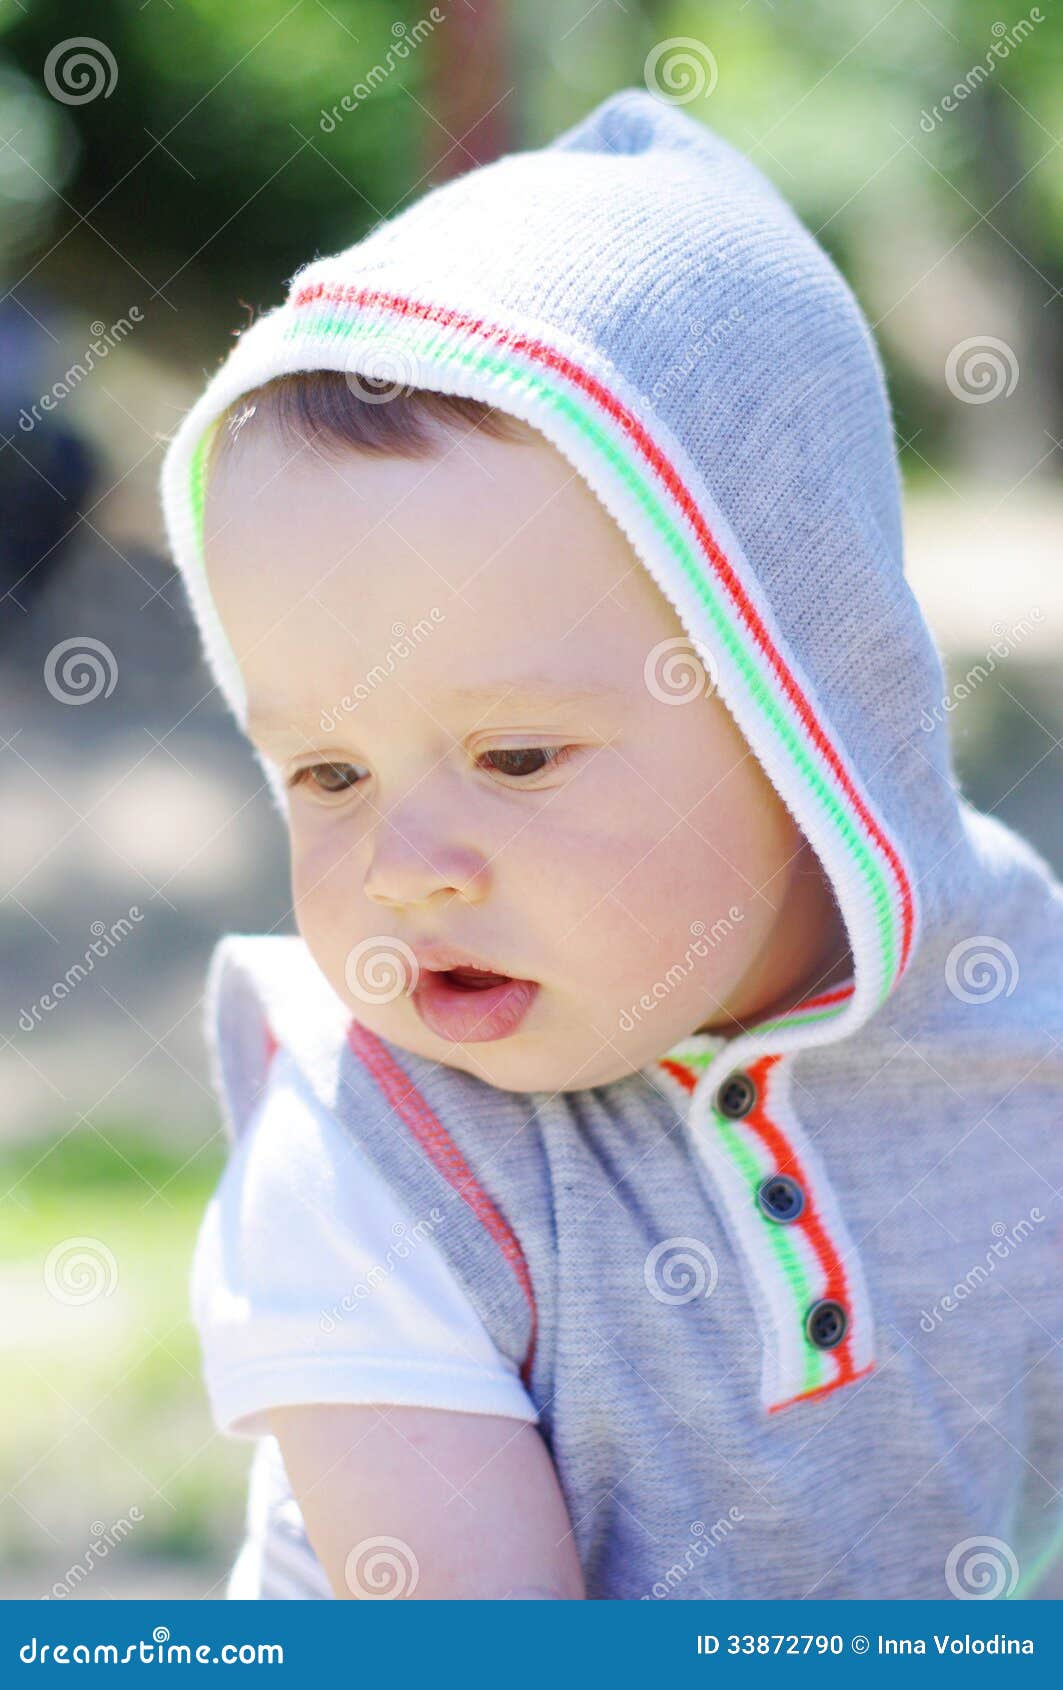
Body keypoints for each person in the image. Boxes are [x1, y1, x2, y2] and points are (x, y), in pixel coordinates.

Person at [160, 89, 1063, 1601]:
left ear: (802, 713)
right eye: (327, 772)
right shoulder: (372, 1158)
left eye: (516, 757)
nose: (403, 868)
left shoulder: (1013, 1006)